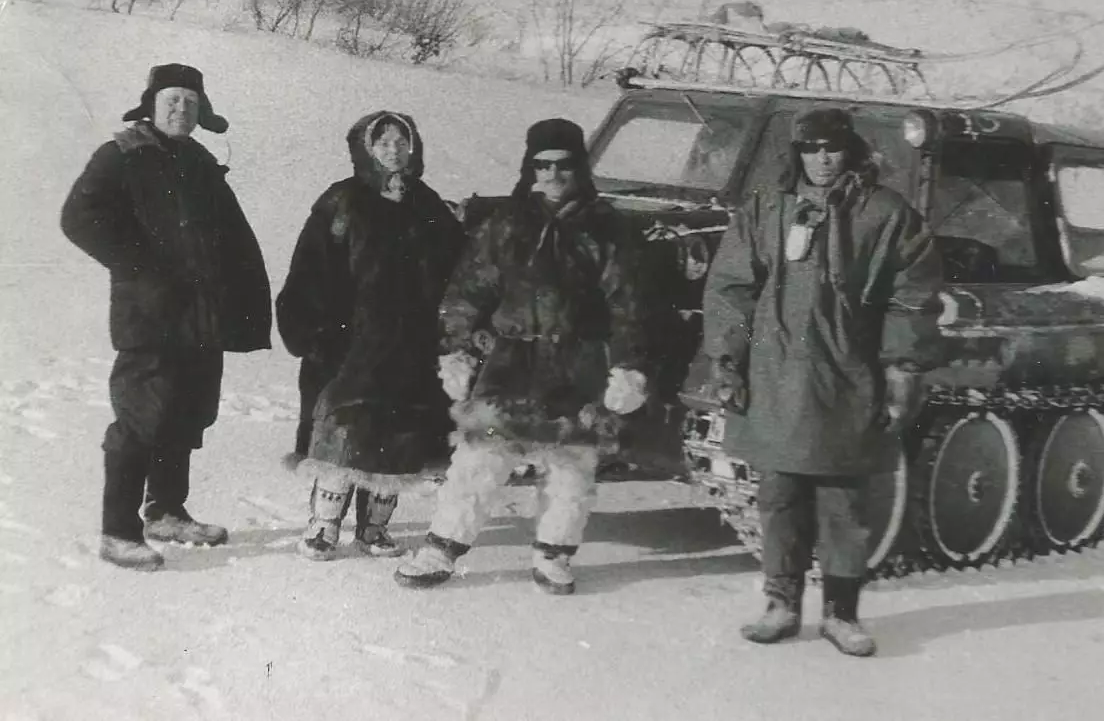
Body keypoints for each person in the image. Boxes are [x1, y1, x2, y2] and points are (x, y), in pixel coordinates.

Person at [701, 107, 942, 656]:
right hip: (776, 375)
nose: (823, 159)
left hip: (849, 376)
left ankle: (841, 613)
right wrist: (726, 360)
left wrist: (902, 369)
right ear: (797, 153)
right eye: (812, 149)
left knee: (843, 502)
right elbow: (731, 289)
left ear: (850, 150)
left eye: (833, 147)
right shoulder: (765, 208)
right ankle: (781, 604)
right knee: (779, 496)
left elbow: (912, 299)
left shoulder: (885, 214)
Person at [394, 118, 651, 595]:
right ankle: (443, 546)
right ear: (529, 167)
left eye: (564, 165)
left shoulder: (609, 229)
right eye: (542, 165)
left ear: (580, 168)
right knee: (481, 455)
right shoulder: (507, 225)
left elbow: (628, 304)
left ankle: (554, 554)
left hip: (578, 365)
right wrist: (455, 348)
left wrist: (628, 365)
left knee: (571, 465)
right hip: (512, 363)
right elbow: (468, 291)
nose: (552, 175)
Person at [61, 63, 272, 572]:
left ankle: (167, 511)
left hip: (201, 317)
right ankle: (118, 532)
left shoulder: (197, 160)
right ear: (152, 105)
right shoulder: (121, 155)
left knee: (187, 414)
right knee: (141, 419)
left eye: (192, 103)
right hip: (150, 316)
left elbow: (233, 238)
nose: (182, 109)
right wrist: (143, 267)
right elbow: (79, 218)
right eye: (173, 100)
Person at [275, 111, 465, 561]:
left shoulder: (427, 204)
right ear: (365, 148)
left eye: (402, 142)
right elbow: (309, 266)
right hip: (350, 342)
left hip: (412, 343)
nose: (394, 151)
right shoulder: (342, 200)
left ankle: (374, 529)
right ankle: (323, 527)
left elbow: (458, 264)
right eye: (384, 143)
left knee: (398, 434)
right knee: (343, 431)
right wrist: (311, 330)